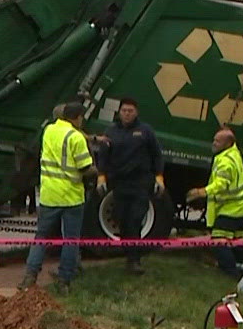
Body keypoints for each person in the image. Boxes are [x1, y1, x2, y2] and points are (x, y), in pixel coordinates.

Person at [20, 100, 96, 292]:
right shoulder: (76, 138)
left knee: (41, 237)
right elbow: (85, 168)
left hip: (48, 195)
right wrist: (99, 170)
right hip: (71, 197)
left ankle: (30, 276)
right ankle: (64, 281)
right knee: (70, 240)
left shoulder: (49, 131)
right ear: (77, 118)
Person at [99, 97, 164, 274]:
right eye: (124, 111)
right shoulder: (111, 131)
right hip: (119, 183)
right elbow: (103, 156)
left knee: (135, 219)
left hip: (141, 183)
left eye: (130, 111)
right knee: (121, 219)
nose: (127, 114)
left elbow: (157, 154)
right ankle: (128, 255)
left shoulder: (145, 131)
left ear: (136, 113)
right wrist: (101, 177)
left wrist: (159, 177)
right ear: (119, 112)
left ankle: (134, 261)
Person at [188, 128, 243, 278]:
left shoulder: (225, 161)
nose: (214, 143)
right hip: (241, 208)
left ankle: (230, 275)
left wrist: (201, 192)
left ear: (228, 143)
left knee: (219, 241)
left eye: (218, 141)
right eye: (214, 140)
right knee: (238, 242)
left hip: (230, 210)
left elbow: (221, 184)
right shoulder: (234, 153)